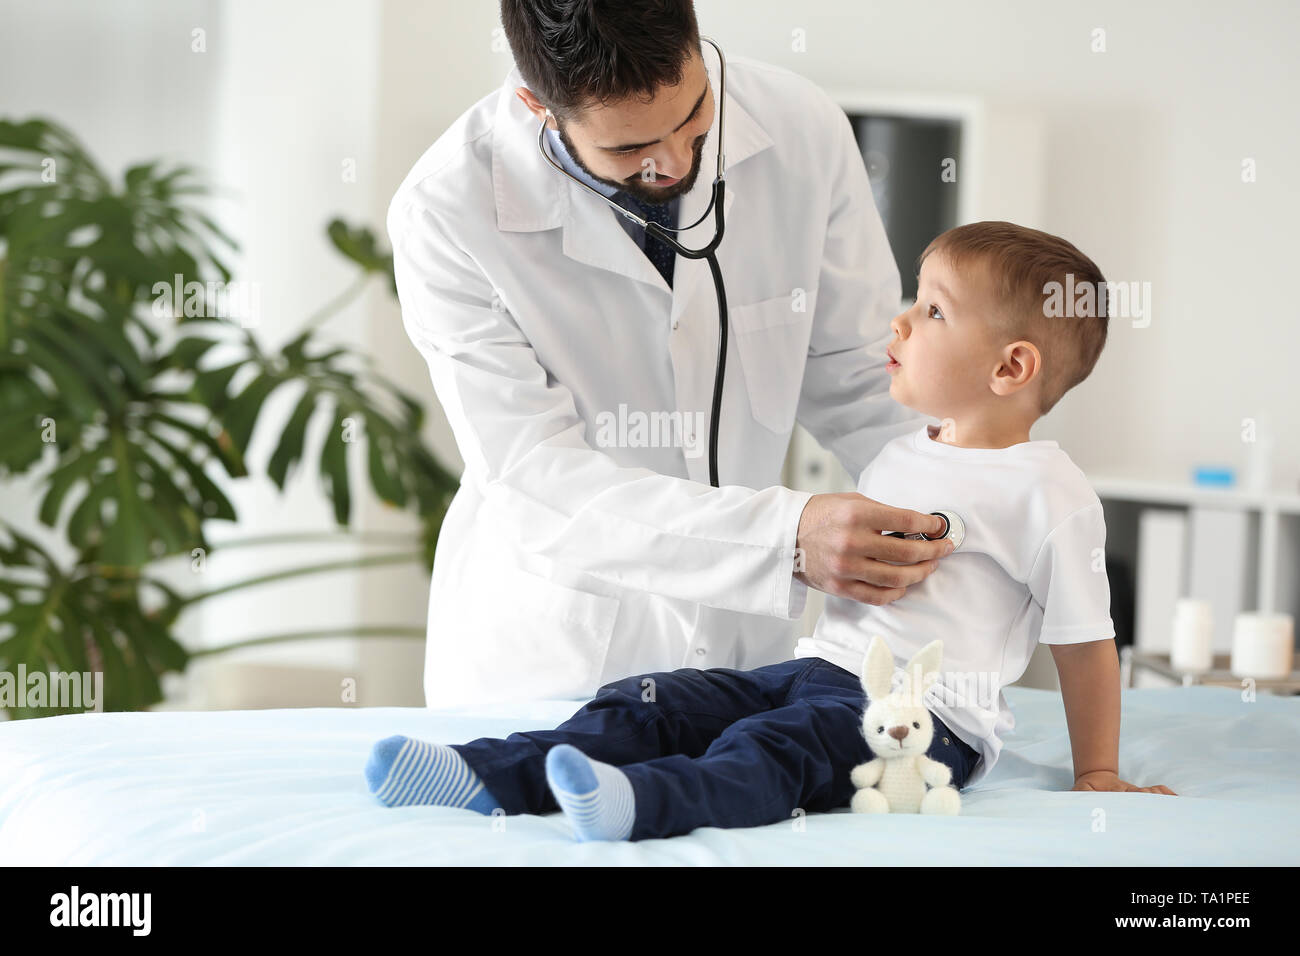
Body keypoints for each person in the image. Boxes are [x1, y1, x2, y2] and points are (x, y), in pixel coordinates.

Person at [364, 222, 1176, 841]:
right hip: (817, 671)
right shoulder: (901, 454)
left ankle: (643, 805)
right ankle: (485, 774)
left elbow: (1084, 642)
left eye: (932, 310)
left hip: (925, 722)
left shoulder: (1051, 491)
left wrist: (1097, 771)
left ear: (1010, 369)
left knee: (775, 747)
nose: (898, 324)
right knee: (658, 698)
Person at [387, 0, 951, 709]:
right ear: (538, 106)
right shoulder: (445, 211)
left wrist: (972, 492)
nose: (675, 161)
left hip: (745, 657)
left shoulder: (801, 128)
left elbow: (865, 379)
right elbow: (537, 480)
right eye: (629, 149)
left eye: (695, 119)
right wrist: (784, 539)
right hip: (557, 663)